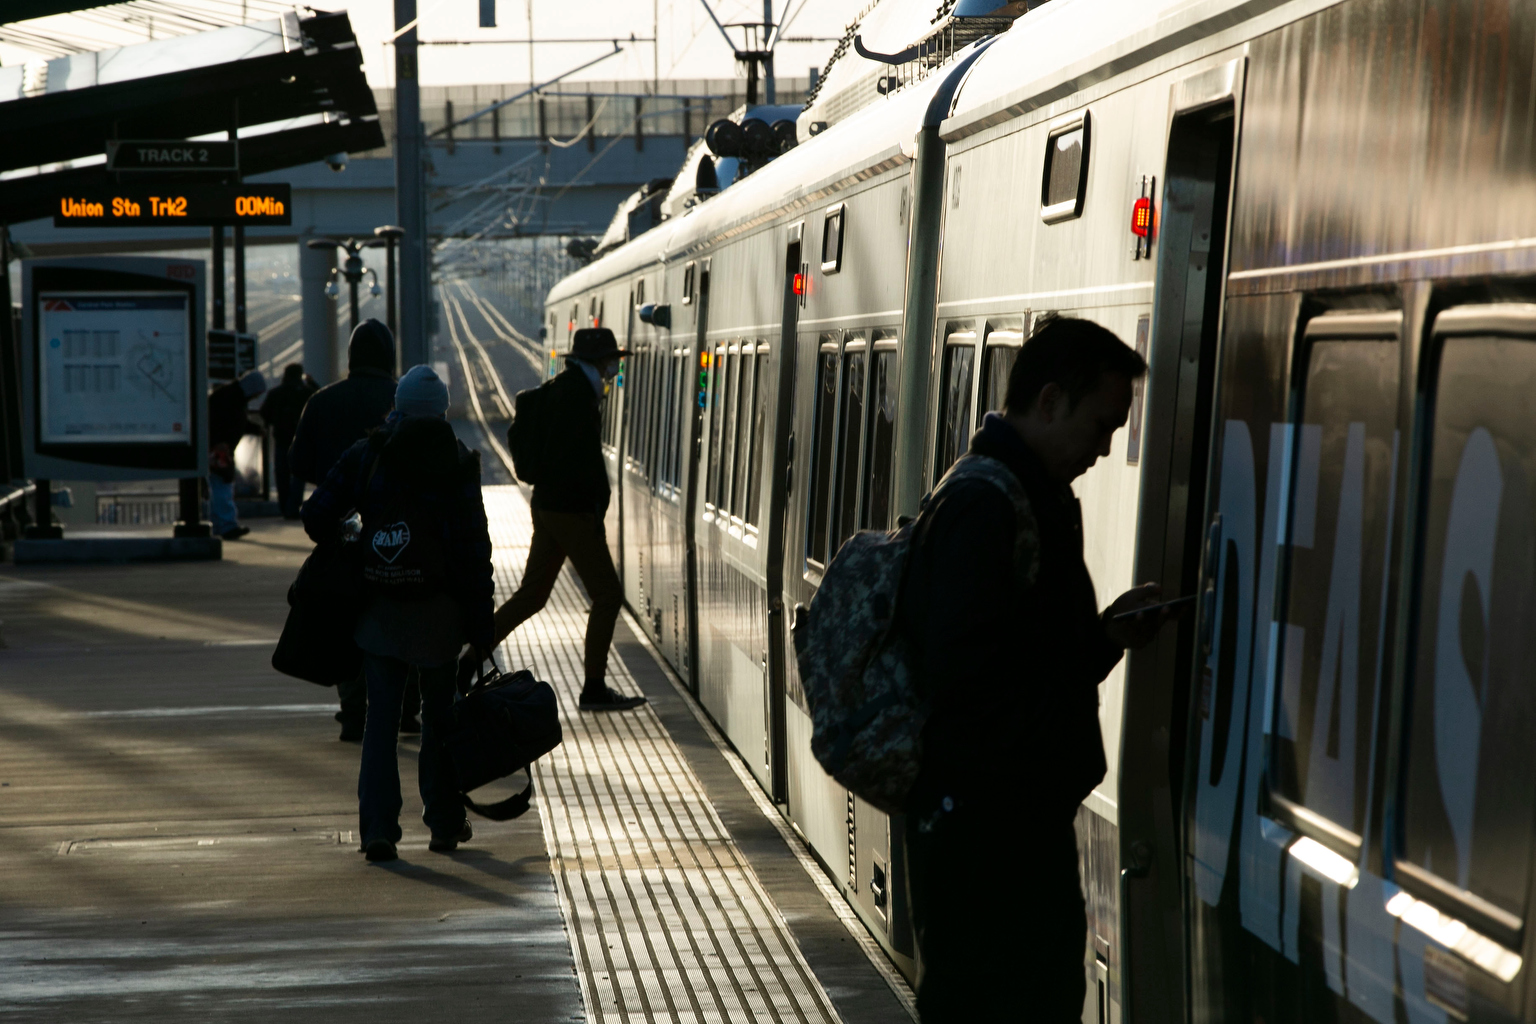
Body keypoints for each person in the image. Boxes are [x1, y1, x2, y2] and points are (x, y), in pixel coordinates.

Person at [899, 316, 1179, 1022]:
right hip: (990, 841)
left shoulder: (1026, 497)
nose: (1105, 448)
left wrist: (1106, 635)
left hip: (1011, 828)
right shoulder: (986, 507)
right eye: (1100, 426)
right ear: (1050, 402)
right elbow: (964, 686)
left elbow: (1020, 658)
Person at [302, 365, 494, 863]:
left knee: (380, 722)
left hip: (380, 610)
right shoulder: (458, 461)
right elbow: (475, 549)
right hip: (441, 616)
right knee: (439, 721)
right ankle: (444, 824)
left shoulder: (368, 453)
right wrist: (481, 625)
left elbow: (316, 515)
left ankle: (379, 830)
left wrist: (354, 537)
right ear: (442, 411)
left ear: (398, 408)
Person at [461, 327, 643, 712]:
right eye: (610, 361)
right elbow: (583, 462)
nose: (613, 368)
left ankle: (467, 664)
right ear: (596, 362)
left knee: (532, 595)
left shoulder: (563, 389)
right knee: (607, 594)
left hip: (548, 507)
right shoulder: (578, 397)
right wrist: (596, 506)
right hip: (571, 511)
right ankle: (594, 687)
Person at [290, 319, 402, 741]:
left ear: (352, 357)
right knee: (397, 614)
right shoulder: (400, 399)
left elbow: (298, 465)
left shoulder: (321, 401)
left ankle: (354, 712)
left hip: (342, 535)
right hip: (397, 531)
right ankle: (404, 707)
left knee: (346, 617)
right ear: (389, 358)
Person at [207, 369, 267, 541]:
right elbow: (230, 422)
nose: (256, 397)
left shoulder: (230, 396)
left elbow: (236, 422)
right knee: (222, 487)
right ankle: (227, 526)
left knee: (219, 486)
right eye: (256, 393)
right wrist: (219, 442)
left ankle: (220, 525)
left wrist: (255, 429)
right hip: (219, 451)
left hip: (219, 449)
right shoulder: (231, 399)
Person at [260, 363, 318, 519]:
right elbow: (321, 400)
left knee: (282, 473)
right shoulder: (307, 392)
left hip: (281, 438)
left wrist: (273, 422)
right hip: (301, 439)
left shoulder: (276, 393)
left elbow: (264, 413)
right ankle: (293, 506)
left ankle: (284, 505)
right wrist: (312, 382)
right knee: (298, 474)